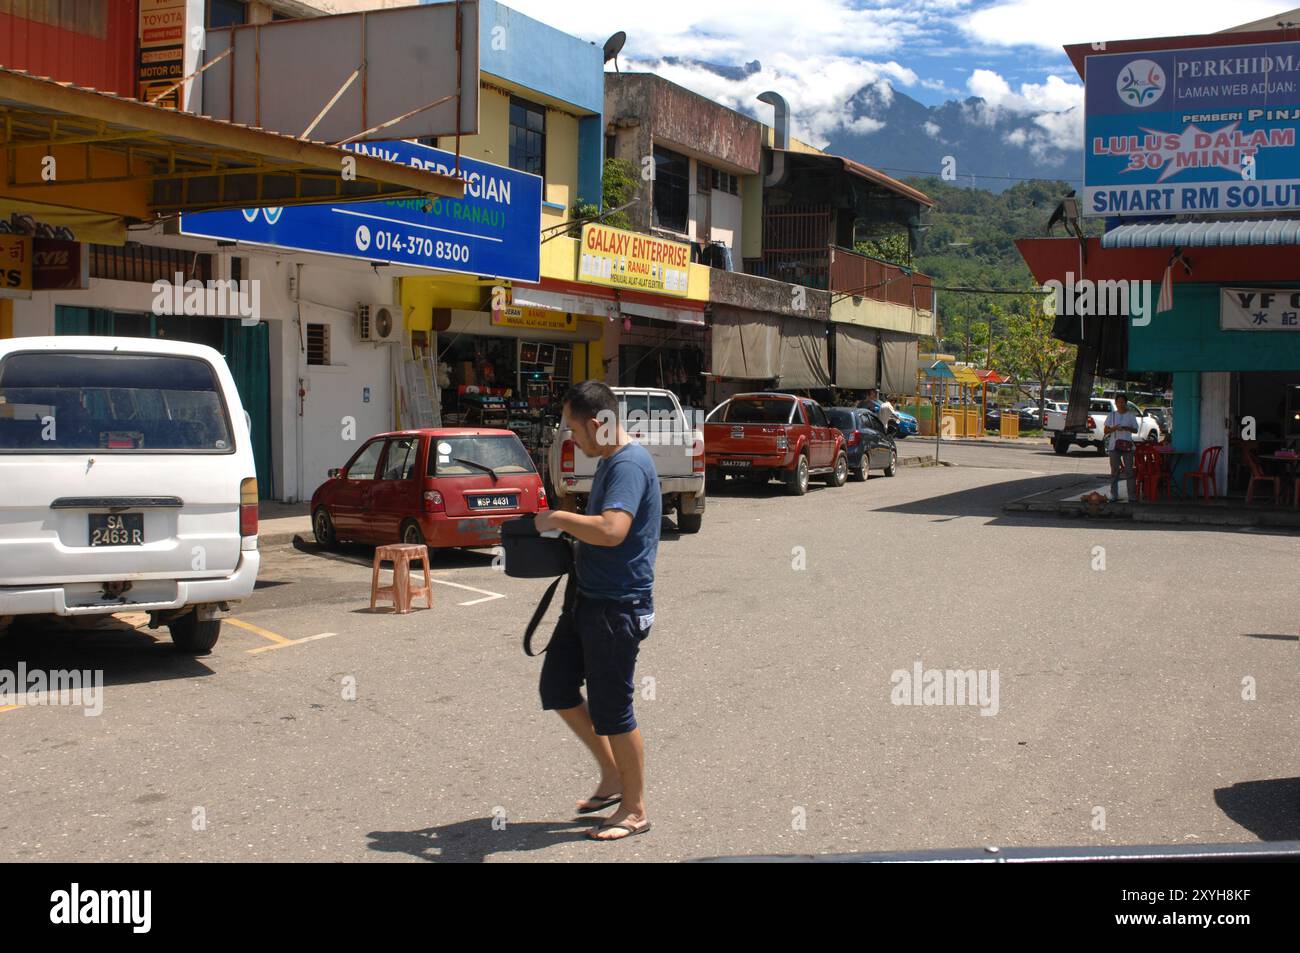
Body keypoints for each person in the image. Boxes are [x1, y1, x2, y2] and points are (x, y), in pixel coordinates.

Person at [533, 381, 661, 842]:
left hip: (617, 605)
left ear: (597, 423)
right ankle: (611, 776)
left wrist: (558, 519)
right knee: (557, 685)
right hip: (588, 597)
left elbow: (611, 530)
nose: (573, 438)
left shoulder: (628, 464)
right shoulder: (610, 461)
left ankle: (635, 807)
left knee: (614, 710)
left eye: (574, 428)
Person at [1104, 393, 1139, 502]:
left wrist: (1126, 428)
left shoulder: (1131, 415)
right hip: (1114, 446)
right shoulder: (1112, 415)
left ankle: (1132, 496)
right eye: (1118, 402)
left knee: (1129, 471)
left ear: (1125, 403)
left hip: (1128, 446)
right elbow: (1105, 431)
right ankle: (1114, 495)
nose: (1120, 404)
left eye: (1122, 402)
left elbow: (1136, 430)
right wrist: (1113, 428)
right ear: (1116, 403)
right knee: (1114, 471)